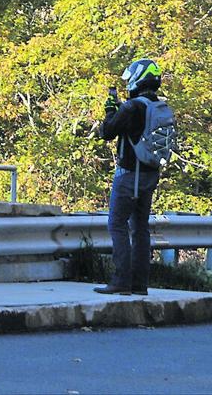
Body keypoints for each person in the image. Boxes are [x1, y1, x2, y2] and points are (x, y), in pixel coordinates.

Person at [92, 58, 165, 296]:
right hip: (150, 174)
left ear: (138, 78)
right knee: (140, 228)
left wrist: (110, 110)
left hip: (128, 175)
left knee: (117, 224)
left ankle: (121, 280)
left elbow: (107, 132)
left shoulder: (132, 107)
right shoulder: (157, 106)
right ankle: (139, 284)